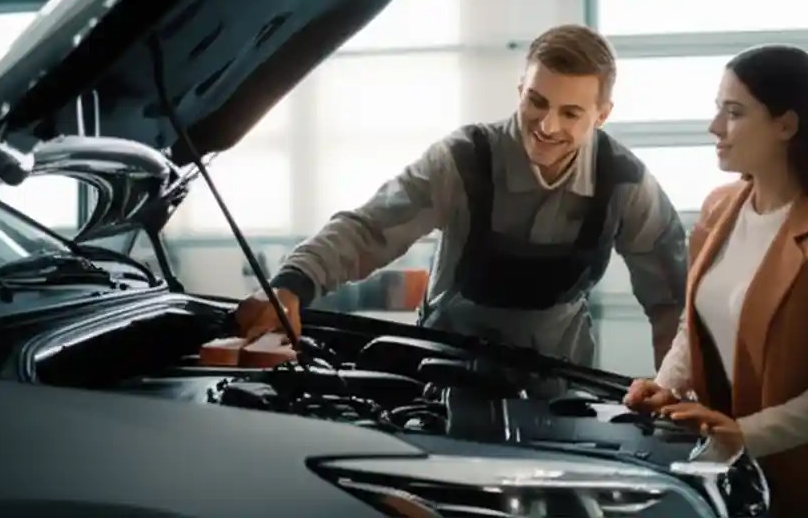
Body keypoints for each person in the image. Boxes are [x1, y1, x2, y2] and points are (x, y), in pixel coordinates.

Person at [234, 24, 687, 368]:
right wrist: (292, 284)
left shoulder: (625, 182)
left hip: (560, 379)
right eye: (536, 102)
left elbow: (671, 297)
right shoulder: (464, 159)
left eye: (571, 113)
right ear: (520, 91)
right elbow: (370, 229)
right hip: (446, 367)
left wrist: (674, 390)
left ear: (602, 114)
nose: (548, 126)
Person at [622, 45, 808, 517]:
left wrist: (749, 433)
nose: (715, 127)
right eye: (718, 110)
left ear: (787, 125)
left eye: (733, 112)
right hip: (744, 477)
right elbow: (695, 321)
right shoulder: (720, 208)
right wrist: (669, 383)